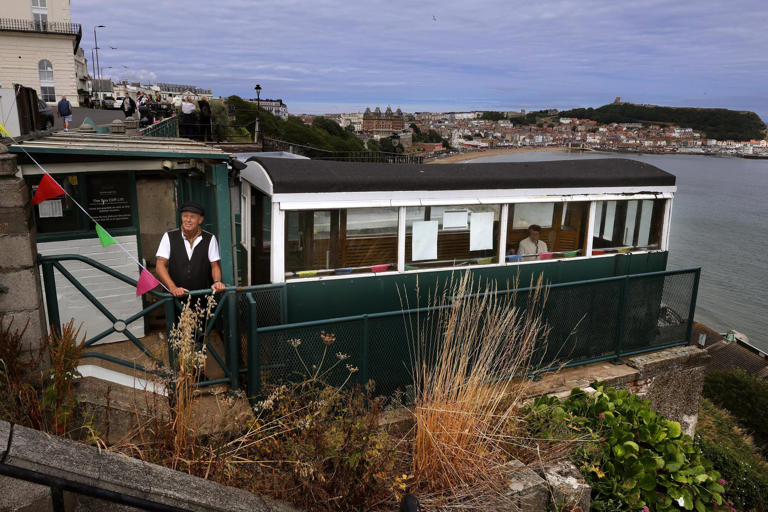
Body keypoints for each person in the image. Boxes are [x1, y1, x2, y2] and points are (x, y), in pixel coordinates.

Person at [155, 201, 227, 297]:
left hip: (202, 296)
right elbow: (160, 265)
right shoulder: (169, 236)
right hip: (175, 297)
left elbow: (215, 266)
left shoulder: (210, 238)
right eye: (185, 216)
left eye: (192, 217)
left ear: (200, 220)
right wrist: (173, 288)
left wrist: (217, 282)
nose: (188, 220)